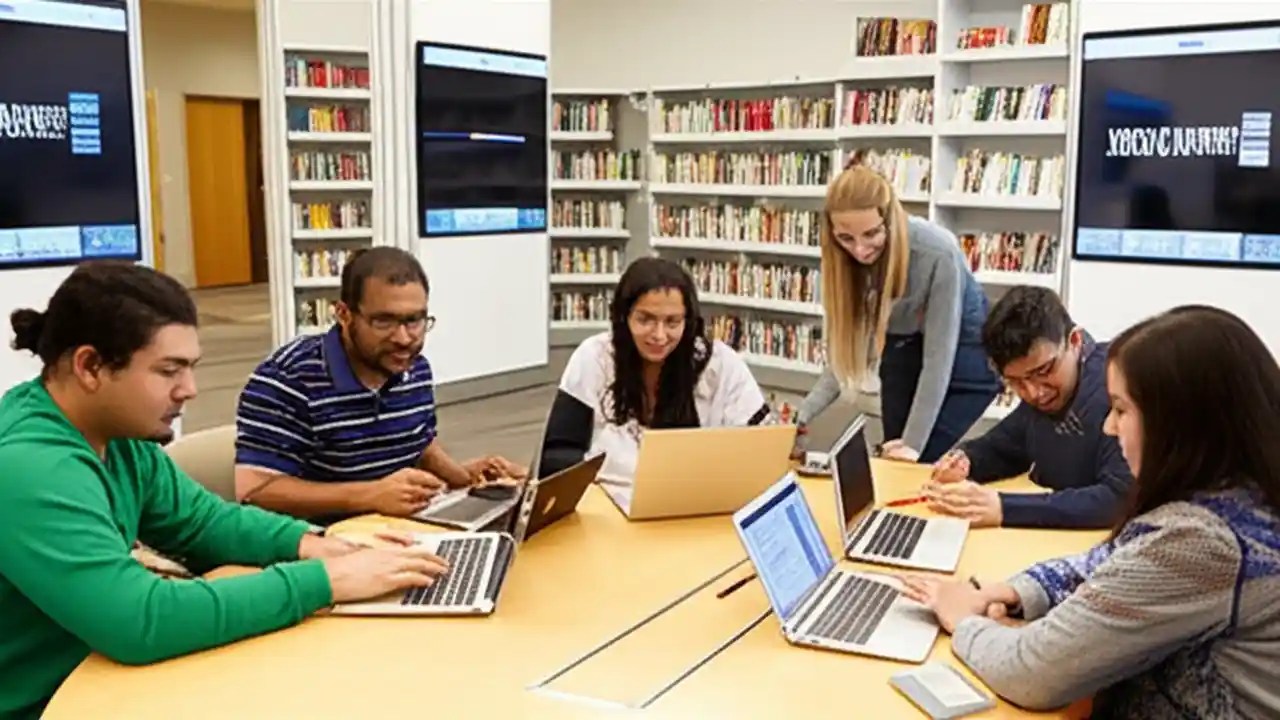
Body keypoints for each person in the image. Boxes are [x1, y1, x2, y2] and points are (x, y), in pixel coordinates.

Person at [0, 262, 448, 720]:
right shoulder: (28, 467)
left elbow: (203, 522)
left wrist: (322, 546)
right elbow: (140, 620)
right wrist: (330, 581)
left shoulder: (117, 437)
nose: (189, 390)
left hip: (100, 681)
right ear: (90, 366)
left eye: (191, 369)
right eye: (169, 371)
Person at [901, 306, 1280, 718]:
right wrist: (1014, 592)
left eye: (1121, 410)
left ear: (1180, 422)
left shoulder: (1204, 540)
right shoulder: (1240, 494)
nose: (1109, 428)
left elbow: (1034, 674)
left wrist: (966, 621)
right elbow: (1119, 560)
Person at [234, 247, 525, 525]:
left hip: (404, 528)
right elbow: (254, 491)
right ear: (344, 315)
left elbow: (418, 443)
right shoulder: (287, 379)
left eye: (414, 320)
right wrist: (369, 495)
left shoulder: (415, 367)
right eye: (384, 321)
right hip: (322, 543)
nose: (403, 338)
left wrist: (468, 479)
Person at [795, 163, 1000, 464]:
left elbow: (938, 358)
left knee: (919, 456)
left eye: (870, 234)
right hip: (904, 345)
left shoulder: (937, 252)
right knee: (893, 451)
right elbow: (849, 350)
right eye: (846, 238)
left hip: (965, 356)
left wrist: (913, 447)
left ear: (889, 220)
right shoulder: (845, 258)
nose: (861, 251)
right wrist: (803, 414)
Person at [540, 256, 770, 500]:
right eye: (645, 319)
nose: (659, 335)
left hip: (698, 511)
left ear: (688, 321)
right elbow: (557, 457)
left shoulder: (722, 364)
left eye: (672, 322)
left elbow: (759, 451)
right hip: (607, 512)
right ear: (623, 317)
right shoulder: (594, 357)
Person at [924, 286, 1133, 529]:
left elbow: (1119, 499)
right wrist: (965, 462)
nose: (1034, 392)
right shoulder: (1043, 393)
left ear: (1075, 342)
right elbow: (1007, 445)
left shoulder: (1118, 389)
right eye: (1015, 382)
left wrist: (1004, 508)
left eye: (1043, 371)